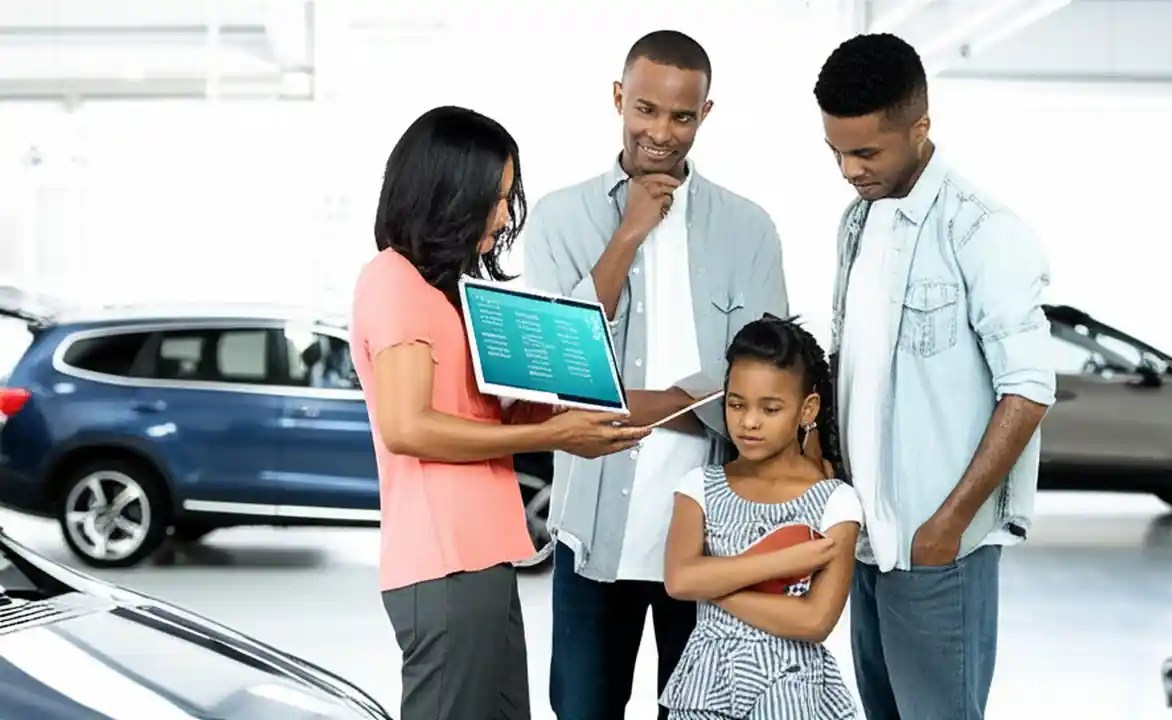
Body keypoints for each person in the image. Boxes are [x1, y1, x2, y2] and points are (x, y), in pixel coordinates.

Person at [522, 30, 790, 720]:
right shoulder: (560, 218)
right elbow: (557, 368)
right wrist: (628, 234)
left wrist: (636, 404)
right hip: (591, 538)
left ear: (706, 113)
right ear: (619, 98)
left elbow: (767, 384)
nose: (662, 133)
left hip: (713, 541)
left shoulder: (749, 229)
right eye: (645, 109)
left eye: (681, 116)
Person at [350, 105, 651, 720]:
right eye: (494, 198)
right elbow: (407, 428)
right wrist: (552, 433)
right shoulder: (393, 281)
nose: (503, 216)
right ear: (447, 194)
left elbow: (478, 423)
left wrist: (554, 406)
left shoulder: (445, 292)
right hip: (443, 563)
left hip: (481, 557)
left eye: (507, 198)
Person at [813, 34, 1057, 719]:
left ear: (920, 128)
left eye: (866, 153)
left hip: (937, 548)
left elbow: (1029, 388)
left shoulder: (981, 229)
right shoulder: (855, 222)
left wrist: (947, 524)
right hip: (867, 545)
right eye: (836, 152)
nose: (849, 170)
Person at [661, 315, 861, 720]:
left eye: (770, 409)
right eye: (736, 404)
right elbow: (679, 580)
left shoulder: (835, 502)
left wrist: (712, 585)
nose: (749, 421)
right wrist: (785, 561)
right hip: (706, 690)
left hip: (790, 692)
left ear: (807, 409)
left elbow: (815, 620)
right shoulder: (699, 487)